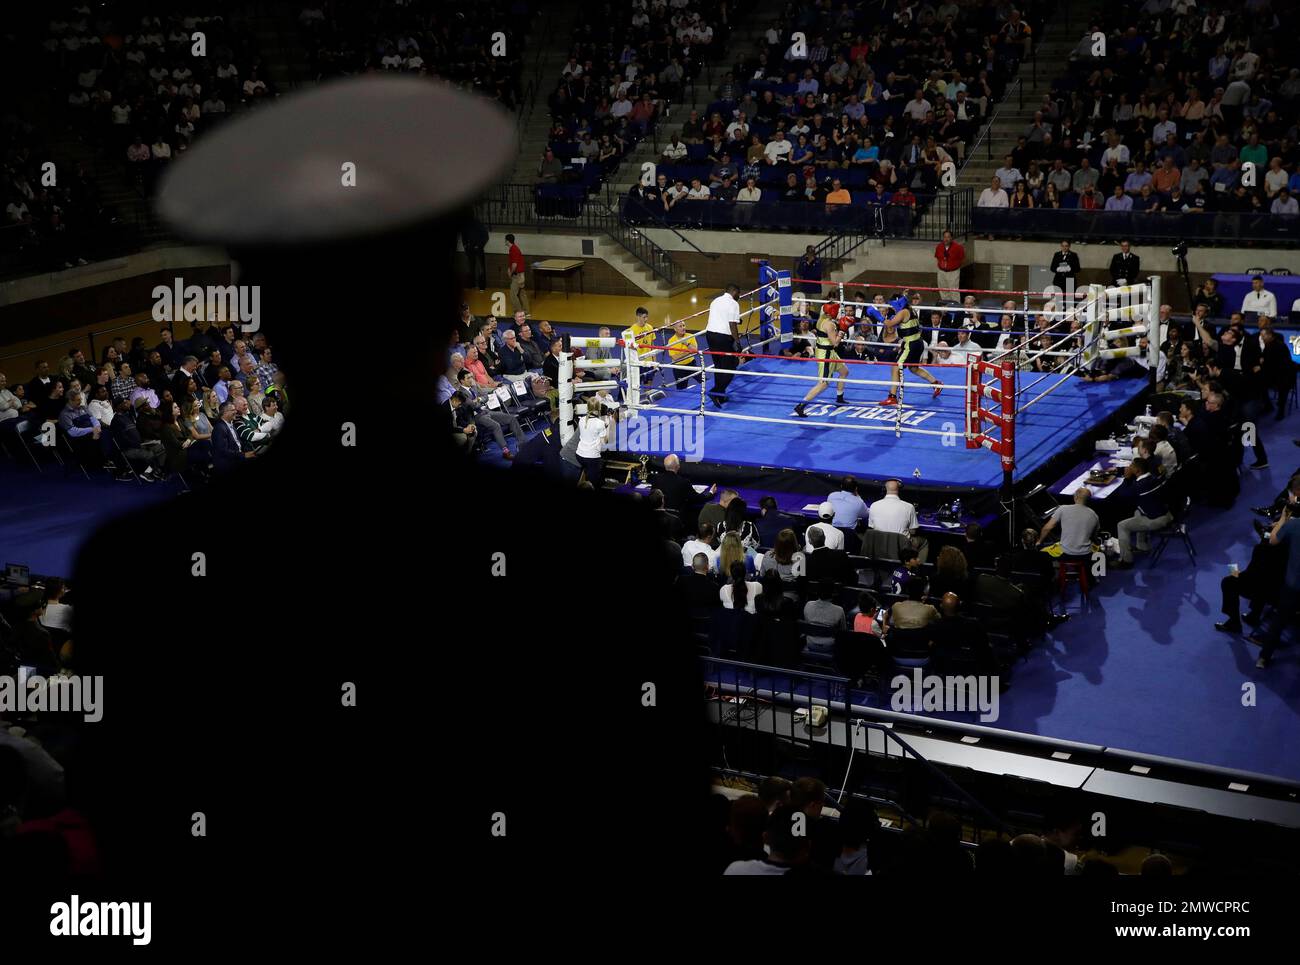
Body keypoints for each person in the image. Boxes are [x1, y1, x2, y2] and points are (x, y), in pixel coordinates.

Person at [877, 292, 943, 404]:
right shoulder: (910, 309)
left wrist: (876, 314)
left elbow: (889, 324)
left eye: (893, 305)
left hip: (911, 344)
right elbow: (904, 325)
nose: (893, 307)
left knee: (895, 368)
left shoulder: (903, 312)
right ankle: (936, 383)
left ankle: (892, 396)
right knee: (913, 368)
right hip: (918, 342)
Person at [792, 302, 850, 416]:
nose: (838, 312)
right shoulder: (829, 324)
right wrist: (843, 330)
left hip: (826, 351)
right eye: (837, 310)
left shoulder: (821, 319)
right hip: (826, 354)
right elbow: (835, 343)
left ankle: (839, 398)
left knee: (844, 371)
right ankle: (801, 405)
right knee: (823, 383)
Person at [1112, 457, 1172, 567]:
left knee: (1121, 525)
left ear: (1138, 471)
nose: (1129, 467)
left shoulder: (1139, 486)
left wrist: (1126, 478)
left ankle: (1126, 561)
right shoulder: (1153, 478)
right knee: (1137, 512)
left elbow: (1122, 494)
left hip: (1155, 520)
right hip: (1166, 513)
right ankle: (1142, 546)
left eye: (1131, 466)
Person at [1037, 488, 1099, 564]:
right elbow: (1094, 536)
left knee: (1041, 552)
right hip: (1086, 554)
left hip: (1066, 553)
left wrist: (1039, 541)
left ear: (1075, 497)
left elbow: (1047, 528)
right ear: (1089, 499)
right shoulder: (1094, 515)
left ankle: (1051, 574)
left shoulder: (1063, 509)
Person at [704, 284, 742, 407]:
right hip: (723, 338)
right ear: (734, 292)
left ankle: (721, 395)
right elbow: (732, 325)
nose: (739, 296)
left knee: (719, 366)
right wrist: (738, 342)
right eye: (738, 294)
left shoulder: (715, 300)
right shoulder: (733, 304)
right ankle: (716, 392)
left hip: (710, 335)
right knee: (731, 368)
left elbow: (721, 317)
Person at [934, 229, 965, 300]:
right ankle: (946, 306)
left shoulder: (958, 247)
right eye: (944, 237)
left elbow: (962, 258)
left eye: (948, 237)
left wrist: (954, 266)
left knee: (954, 291)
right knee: (942, 290)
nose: (946, 239)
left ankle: (956, 308)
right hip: (941, 271)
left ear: (951, 238)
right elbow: (937, 258)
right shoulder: (939, 247)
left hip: (953, 272)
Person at [506, 233, 529, 314]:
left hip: (517, 276)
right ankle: (526, 311)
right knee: (522, 294)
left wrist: (511, 273)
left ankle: (518, 312)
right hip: (521, 275)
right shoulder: (515, 249)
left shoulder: (514, 249)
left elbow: (514, 264)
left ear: (507, 241)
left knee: (513, 294)